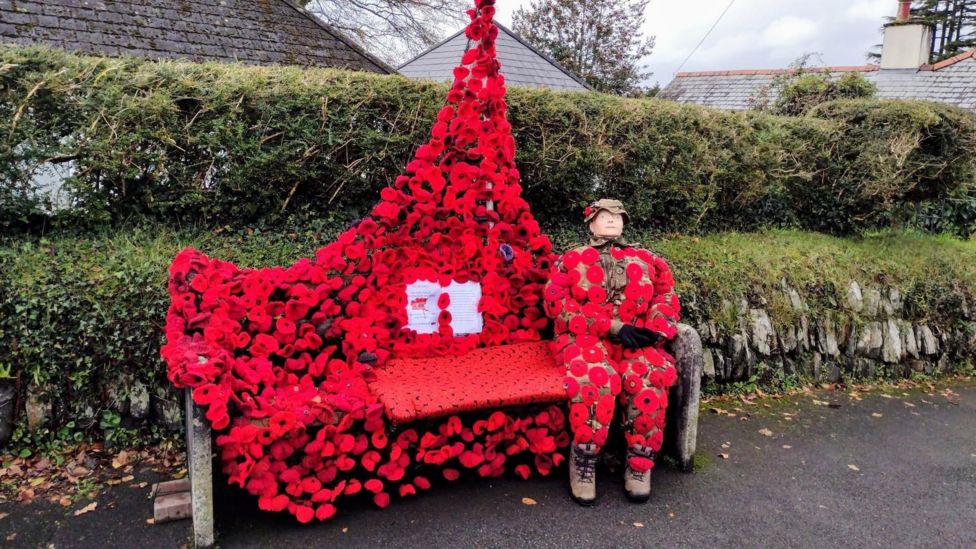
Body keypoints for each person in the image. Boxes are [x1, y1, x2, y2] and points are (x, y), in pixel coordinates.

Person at [543, 199, 681, 505]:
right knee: (595, 378)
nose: (611, 220)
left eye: (617, 216)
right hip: (586, 339)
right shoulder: (571, 259)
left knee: (649, 374)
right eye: (603, 216)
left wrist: (656, 329)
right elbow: (557, 305)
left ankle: (640, 463)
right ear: (591, 223)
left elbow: (665, 295)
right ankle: (584, 460)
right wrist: (611, 326)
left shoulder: (647, 260)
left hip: (636, 341)